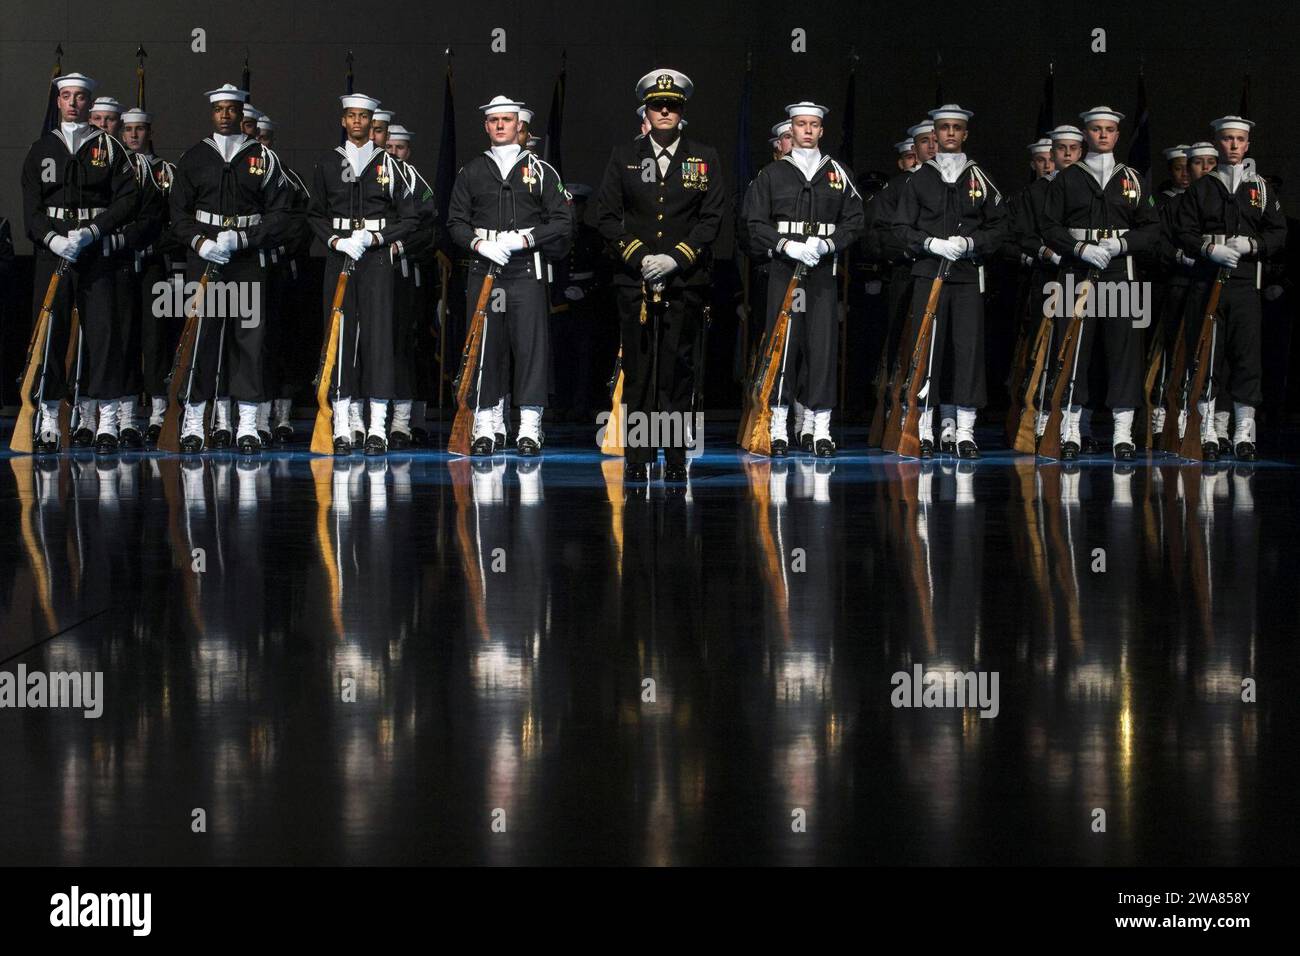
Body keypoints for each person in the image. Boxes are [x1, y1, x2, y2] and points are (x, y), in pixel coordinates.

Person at [596, 69, 724, 482]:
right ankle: (637, 457)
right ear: (646, 112)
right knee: (639, 371)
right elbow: (607, 217)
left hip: (684, 281)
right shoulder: (624, 156)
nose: (665, 110)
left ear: (682, 111)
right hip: (634, 282)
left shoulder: (704, 157)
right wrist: (640, 258)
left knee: (676, 372)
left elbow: (711, 219)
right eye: (657, 105)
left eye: (672, 105)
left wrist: (675, 259)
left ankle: (672, 455)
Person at [446, 95, 573, 456]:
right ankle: (487, 422)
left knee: (531, 347)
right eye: (494, 120)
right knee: (486, 346)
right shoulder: (471, 171)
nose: (500, 125)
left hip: (524, 270)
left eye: (507, 120)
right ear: (486, 126)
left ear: (519, 125)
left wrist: (526, 237)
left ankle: (529, 425)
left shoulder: (542, 171)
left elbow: (562, 221)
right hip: (484, 268)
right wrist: (478, 244)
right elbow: (455, 222)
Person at [20, 71, 140, 453]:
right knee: (51, 335)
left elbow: (128, 200)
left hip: (96, 253)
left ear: (90, 103)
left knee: (104, 336)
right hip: (53, 254)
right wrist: (52, 238)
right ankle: (50, 417)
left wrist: (92, 231)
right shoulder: (41, 148)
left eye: (80, 97)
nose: (73, 102)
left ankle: (105, 419)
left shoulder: (110, 148)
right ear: (58, 102)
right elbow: (32, 206)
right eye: (67, 96)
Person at [170, 82, 292, 453]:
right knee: (201, 338)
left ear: (242, 114)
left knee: (249, 342)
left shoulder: (263, 158)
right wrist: (201, 242)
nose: (225, 115)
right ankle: (194, 421)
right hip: (205, 257)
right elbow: (177, 212)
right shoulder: (194, 157)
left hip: (245, 259)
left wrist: (244, 239)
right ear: (212, 113)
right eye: (219, 109)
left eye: (232, 109)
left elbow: (280, 213)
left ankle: (248, 425)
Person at [743, 100, 863, 457]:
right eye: (800, 124)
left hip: (822, 274)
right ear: (790, 129)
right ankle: (779, 427)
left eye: (813, 124)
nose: (807, 130)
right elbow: (754, 223)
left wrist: (829, 243)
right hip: (786, 272)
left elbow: (855, 220)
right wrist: (784, 245)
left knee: (822, 347)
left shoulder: (838, 173)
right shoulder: (772, 174)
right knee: (785, 344)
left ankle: (820, 428)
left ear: (821, 130)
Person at [888, 103, 1008, 459]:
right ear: (935, 135)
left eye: (957, 127)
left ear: (965, 134)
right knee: (928, 349)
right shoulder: (919, 178)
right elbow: (900, 227)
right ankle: (924, 426)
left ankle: (964, 430)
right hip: (929, 272)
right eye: (944, 128)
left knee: (968, 351)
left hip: (967, 276)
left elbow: (999, 226)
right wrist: (929, 243)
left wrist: (972, 243)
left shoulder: (979, 177)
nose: (951, 133)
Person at [309, 92, 420, 455]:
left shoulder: (392, 166)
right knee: (340, 336)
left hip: (375, 258)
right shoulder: (327, 163)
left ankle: (377, 427)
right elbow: (314, 214)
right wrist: (336, 241)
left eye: (363, 117)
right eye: (351, 116)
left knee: (378, 337)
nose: (357, 122)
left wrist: (377, 236)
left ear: (372, 123)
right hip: (340, 255)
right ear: (343, 121)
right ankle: (341, 425)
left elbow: (410, 218)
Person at [1172, 115, 1287, 461]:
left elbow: (1278, 232)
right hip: (1206, 281)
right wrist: (1208, 249)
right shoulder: (1201, 188)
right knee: (1207, 356)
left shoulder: (1261, 188)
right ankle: (1208, 429)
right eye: (1227, 139)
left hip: (1243, 283)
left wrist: (1253, 247)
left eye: (1240, 140)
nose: (1233, 146)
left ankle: (1243, 432)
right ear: (1217, 142)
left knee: (1246, 357)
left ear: (1248, 144)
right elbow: (1183, 231)